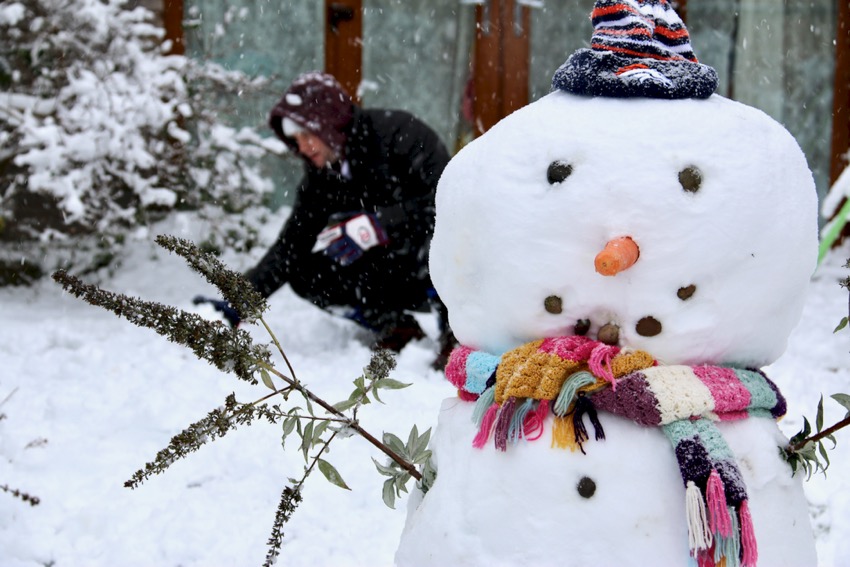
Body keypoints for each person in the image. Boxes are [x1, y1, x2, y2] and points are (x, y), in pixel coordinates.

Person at [231, 71, 454, 365]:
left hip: (436, 267)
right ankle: (396, 327)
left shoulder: (401, 134)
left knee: (445, 240)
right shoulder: (322, 175)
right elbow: (292, 245)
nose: (302, 147)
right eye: (295, 140)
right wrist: (237, 302)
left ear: (330, 124)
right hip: (389, 274)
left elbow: (448, 203)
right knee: (305, 273)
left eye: (307, 135)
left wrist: (379, 224)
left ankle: (455, 339)